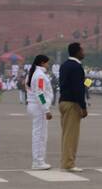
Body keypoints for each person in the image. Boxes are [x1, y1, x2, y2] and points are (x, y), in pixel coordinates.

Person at [57, 42, 88, 171]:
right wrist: (83, 106)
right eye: (82, 50)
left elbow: (73, 84)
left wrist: (85, 83)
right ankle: (69, 163)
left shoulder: (64, 65)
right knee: (71, 136)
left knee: (66, 134)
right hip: (72, 103)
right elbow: (78, 88)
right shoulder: (76, 67)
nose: (84, 52)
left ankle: (65, 161)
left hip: (63, 101)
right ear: (77, 52)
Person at [25, 54, 53, 170]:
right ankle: (38, 161)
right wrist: (46, 109)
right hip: (39, 107)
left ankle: (38, 160)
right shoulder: (40, 76)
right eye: (47, 63)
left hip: (34, 105)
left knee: (38, 134)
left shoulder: (32, 74)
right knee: (40, 135)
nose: (48, 65)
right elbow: (40, 93)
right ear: (42, 63)